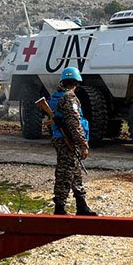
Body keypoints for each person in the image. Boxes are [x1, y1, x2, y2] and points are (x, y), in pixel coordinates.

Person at [49, 67, 97, 216]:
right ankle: (59, 208)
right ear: (77, 83)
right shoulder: (70, 98)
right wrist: (83, 145)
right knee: (65, 174)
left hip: (61, 139)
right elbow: (75, 124)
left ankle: (81, 205)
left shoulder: (57, 96)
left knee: (75, 173)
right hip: (67, 140)